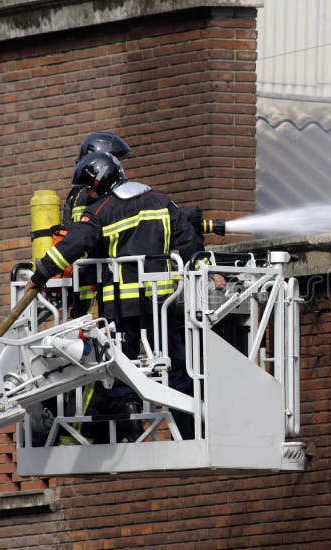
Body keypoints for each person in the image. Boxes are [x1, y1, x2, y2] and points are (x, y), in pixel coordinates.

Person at [27, 151, 203, 441]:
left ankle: (131, 421)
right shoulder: (161, 200)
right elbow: (190, 243)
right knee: (177, 367)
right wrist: (209, 273)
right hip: (162, 304)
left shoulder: (100, 211)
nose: (89, 194)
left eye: (90, 188)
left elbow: (74, 243)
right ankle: (192, 429)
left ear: (100, 181)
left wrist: (40, 273)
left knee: (121, 368)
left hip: (120, 306)